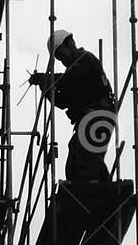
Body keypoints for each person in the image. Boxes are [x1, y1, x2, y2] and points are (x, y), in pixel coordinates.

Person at [28, 29, 117, 183]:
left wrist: (46, 78)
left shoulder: (84, 58)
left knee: (85, 157)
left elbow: (68, 79)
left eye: (61, 55)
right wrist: (46, 89)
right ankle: (99, 187)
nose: (61, 60)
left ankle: (95, 191)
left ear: (69, 44)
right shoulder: (74, 73)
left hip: (98, 115)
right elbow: (62, 102)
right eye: (58, 58)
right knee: (76, 161)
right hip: (90, 118)